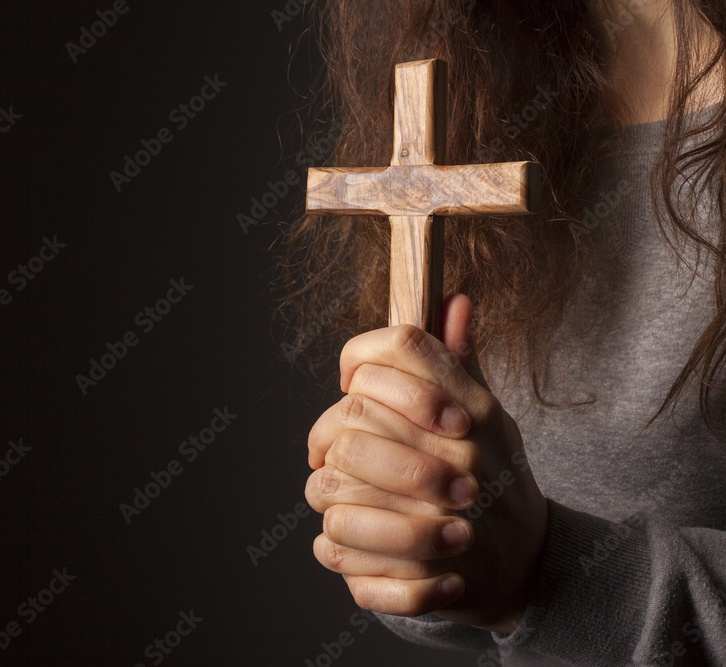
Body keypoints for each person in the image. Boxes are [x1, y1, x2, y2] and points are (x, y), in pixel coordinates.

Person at [281, 1, 726, 664]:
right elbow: (487, 594)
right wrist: (420, 537)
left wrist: (550, 574)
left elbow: (536, 582)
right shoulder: (491, 78)